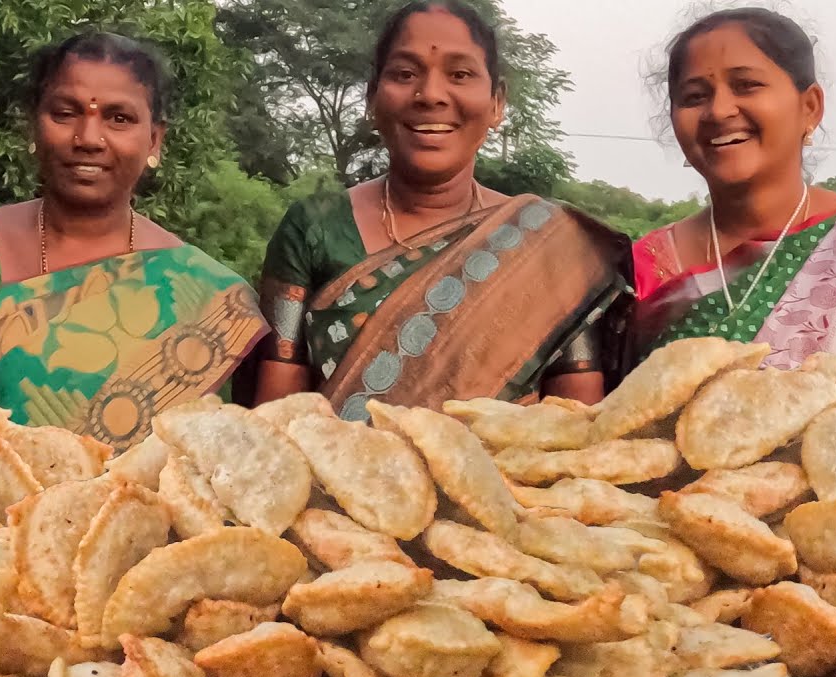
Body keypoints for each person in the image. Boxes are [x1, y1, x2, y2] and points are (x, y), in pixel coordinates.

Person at [253, 0, 630, 420]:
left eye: (460, 74)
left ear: (497, 102)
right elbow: (275, 423)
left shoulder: (551, 245)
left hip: (503, 485)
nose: (430, 94)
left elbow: (576, 424)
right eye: (404, 74)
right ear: (372, 98)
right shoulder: (314, 229)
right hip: (335, 482)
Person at [0, 32, 268, 451]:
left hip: (137, 511)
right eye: (65, 113)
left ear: (154, 140)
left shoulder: (214, 298)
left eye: (119, 119)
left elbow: (218, 453)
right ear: (32, 125)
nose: (89, 138)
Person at [629, 8, 836, 368]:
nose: (719, 111)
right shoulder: (641, 269)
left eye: (747, 85)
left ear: (810, 107)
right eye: (694, 96)